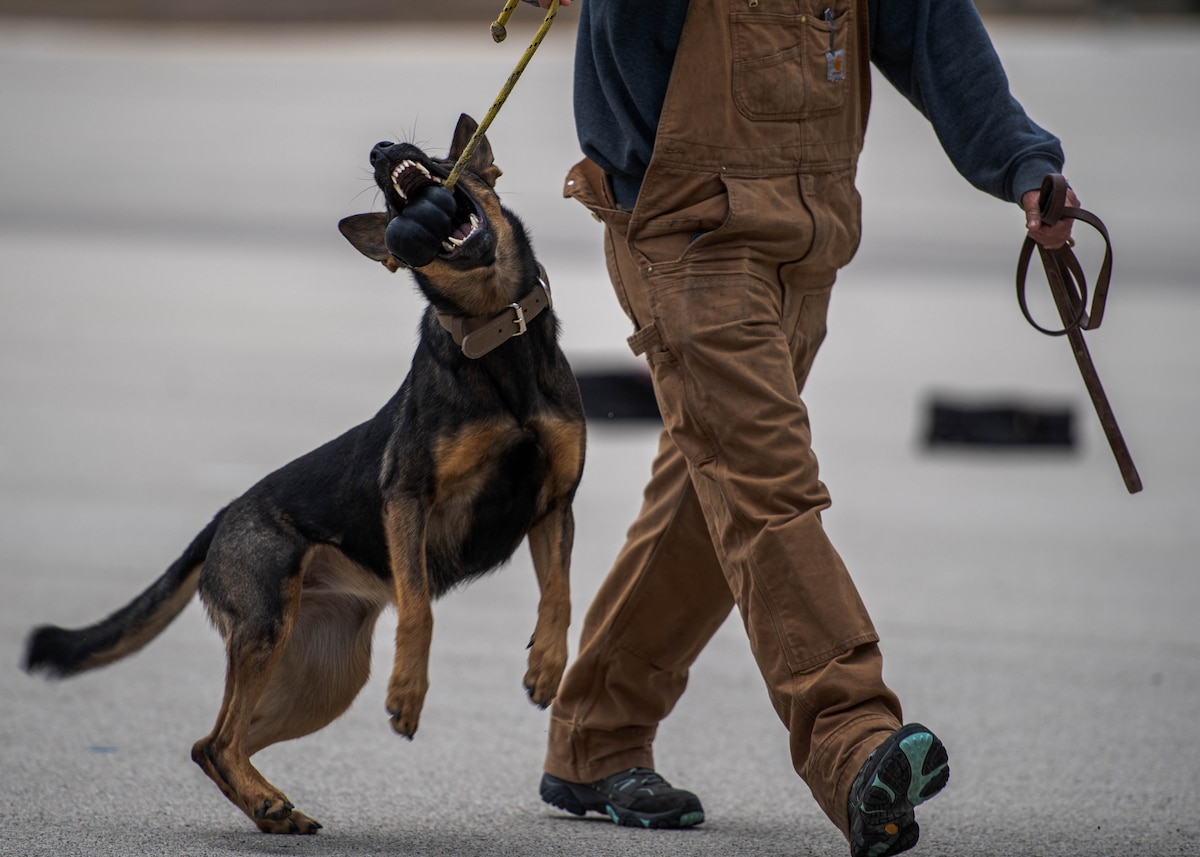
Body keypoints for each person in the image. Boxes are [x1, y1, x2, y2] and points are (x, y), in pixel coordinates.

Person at [526, 1, 1076, 854]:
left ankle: (595, 736)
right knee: (767, 491)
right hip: (689, 242)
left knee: (709, 500)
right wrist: (638, 181)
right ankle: (851, 742)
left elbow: (931, 27)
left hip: (805, 247)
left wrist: (1021, 161)